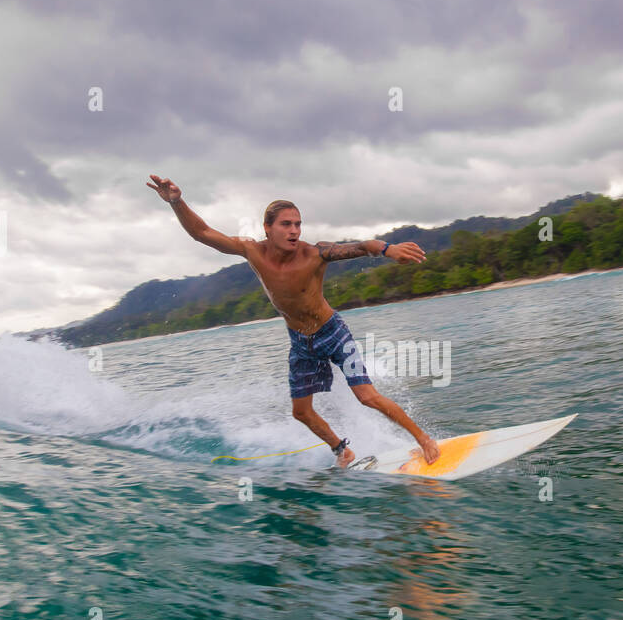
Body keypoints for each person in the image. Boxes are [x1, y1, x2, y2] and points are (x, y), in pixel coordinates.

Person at [146, 176, 442, 468]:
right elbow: (202, 233)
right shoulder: (252, 251)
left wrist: (388, 249)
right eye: (286, 224)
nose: (294, 231)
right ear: (268, 228)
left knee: (367, 397)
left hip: (333, 333)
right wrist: (177, 202)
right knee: (301, 413)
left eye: (298, 224)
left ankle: (424, 440)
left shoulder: (315, 254)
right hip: (302, 343)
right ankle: (342, 451)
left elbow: (363, 246)